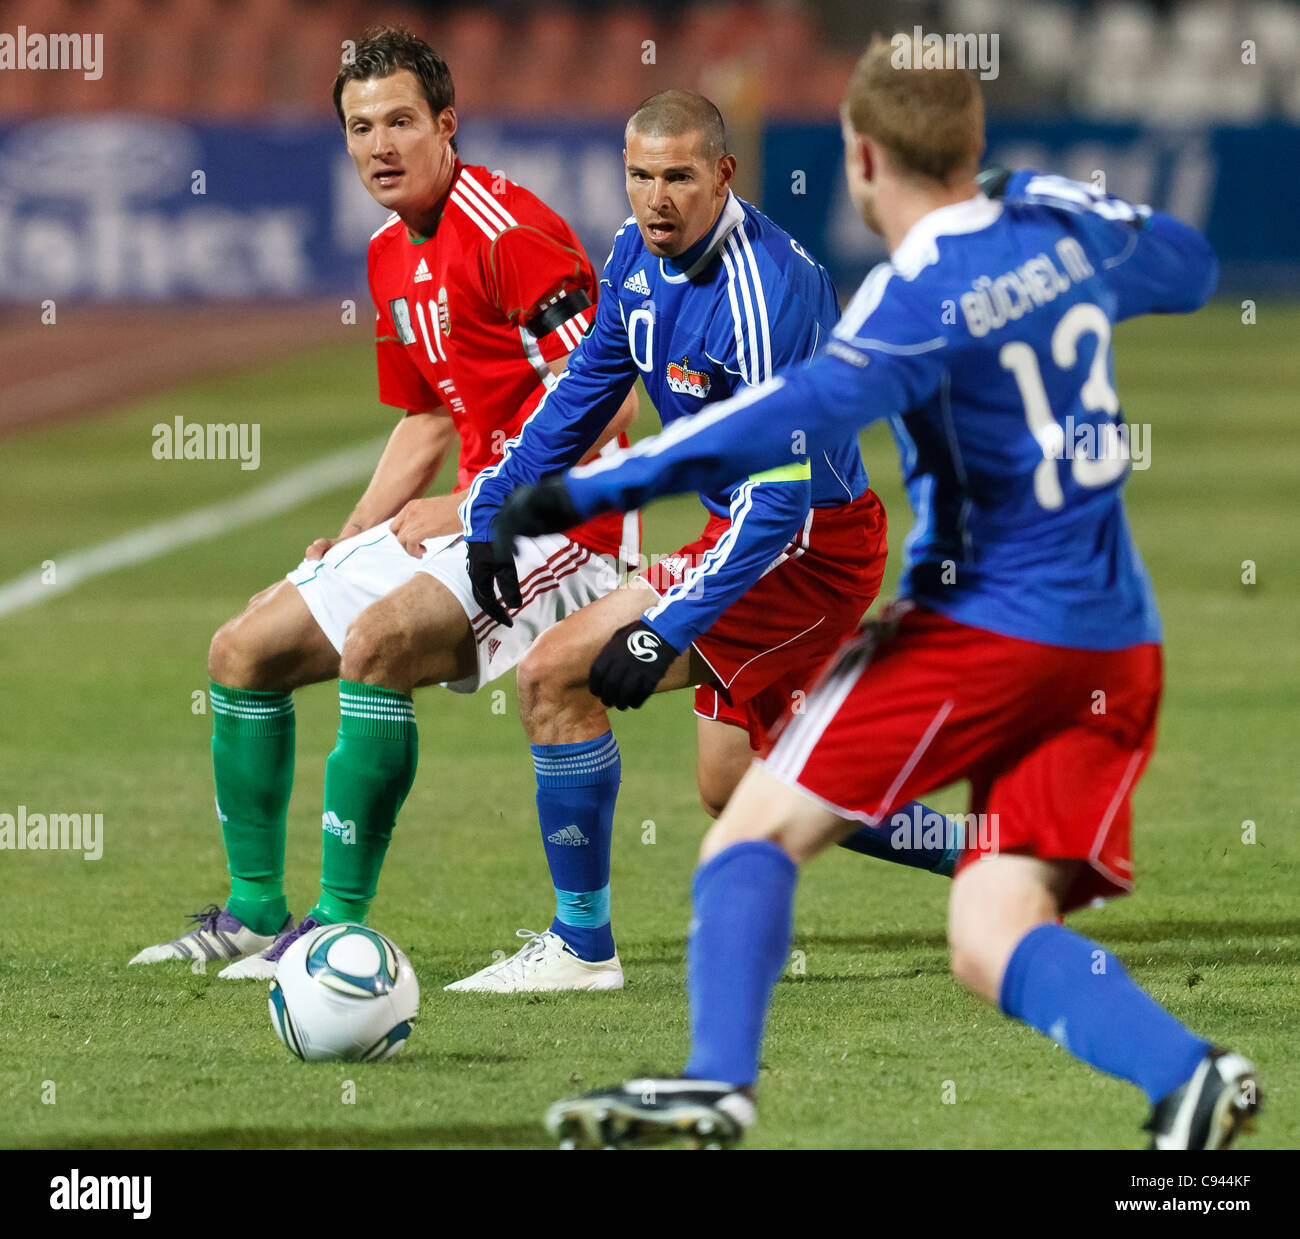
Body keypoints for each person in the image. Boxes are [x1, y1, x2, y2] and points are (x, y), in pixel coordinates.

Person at [498, 37, 1260, 1149]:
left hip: (986, 629)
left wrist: (599, 486)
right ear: (979, 149)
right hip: (1119, 645)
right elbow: (1188, 267)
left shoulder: (910, 297)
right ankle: (1187, 1077)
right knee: (991, 925)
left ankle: (716, 1082)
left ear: (858, 158)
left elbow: (783, 427)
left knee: (747, 833)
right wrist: (1055, 195)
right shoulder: (1058, 229)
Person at [129, 26, 638, 975]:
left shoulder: (512, 232)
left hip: (567, 520)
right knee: (243, 650)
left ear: (448, 125)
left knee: (378, 644)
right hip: (471, 511)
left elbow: (613, 399)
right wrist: (355, 535)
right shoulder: (386, 254)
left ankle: (332, 928)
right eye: (362, 127)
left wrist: (480, 498)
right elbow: (425, 420)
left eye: (402, 121)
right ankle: (250, 912)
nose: (381, 146)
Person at [449, 90, 955, 993]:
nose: (656, 199)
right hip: (759, 529)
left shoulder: (765, 294)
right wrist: (498, 509)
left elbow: (778, 501)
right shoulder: (633, 261)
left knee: (552, 673)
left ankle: (581, 947)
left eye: (679, 176)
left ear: (723, 175)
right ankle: (995, 852)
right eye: (640, 176)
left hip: (803, 542)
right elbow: (580, 396)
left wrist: (664, 628)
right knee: (738, 788)